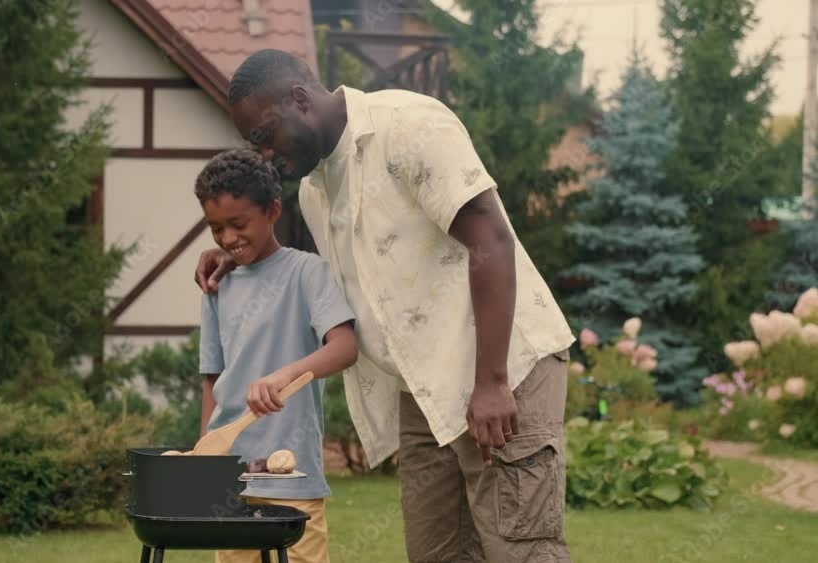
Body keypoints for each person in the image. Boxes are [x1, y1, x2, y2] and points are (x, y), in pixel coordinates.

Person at [195, 50, 577, 563]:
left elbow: (491, 240)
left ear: (300, 99)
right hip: (420, 390)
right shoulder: (313, 192)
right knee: (437, 554)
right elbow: (330, 275)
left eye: (266, 135)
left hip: (504, 368)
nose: (263, 154)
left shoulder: (408, 125)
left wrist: (491, 382)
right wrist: (238, 253)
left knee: (521, 550)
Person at [194, 148, 358, 563]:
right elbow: (212, 377)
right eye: (216, 228)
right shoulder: (217, 284)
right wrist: (204, 459)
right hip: (230, 480)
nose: (228, 238)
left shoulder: (307, 272)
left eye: (238, 224)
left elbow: (344, 347)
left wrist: (285, 375)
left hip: (293, 476)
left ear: (272, 211)